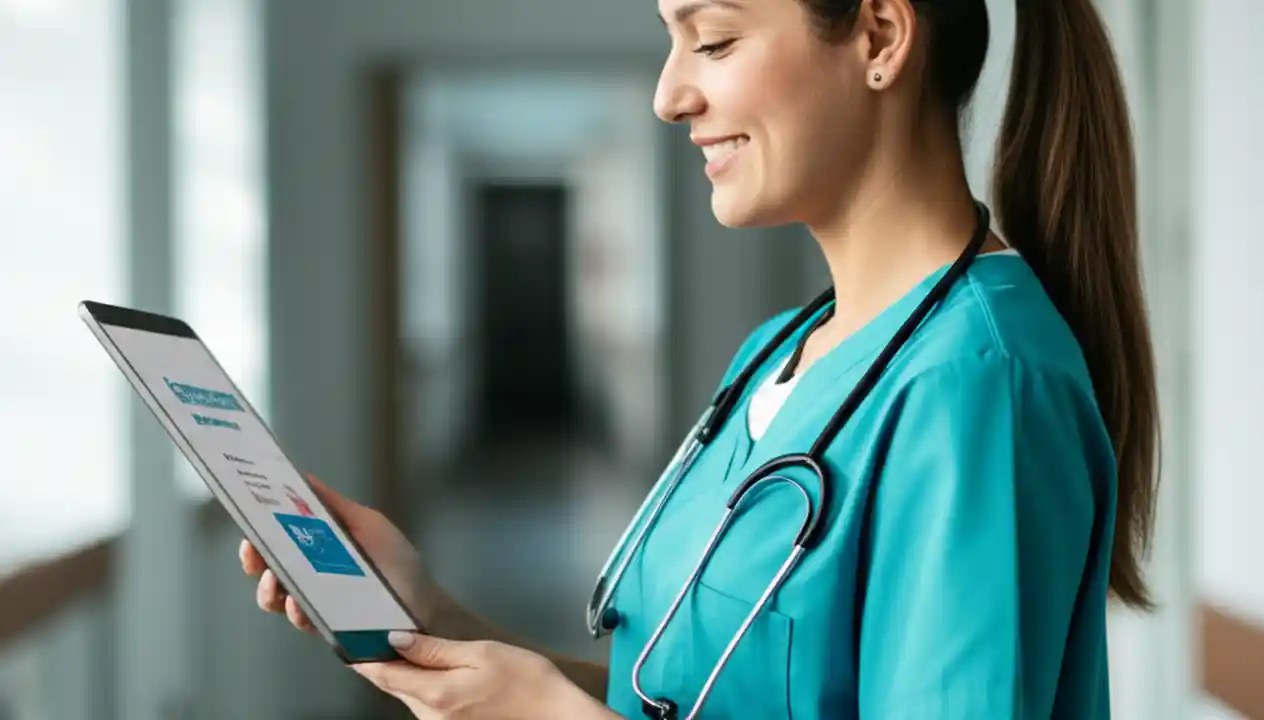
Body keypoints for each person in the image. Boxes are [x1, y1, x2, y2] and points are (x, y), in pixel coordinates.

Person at [240, 0, 1159, 716]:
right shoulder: (777, 353)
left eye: (711, 41)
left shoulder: (978, 385)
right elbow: (683, 696)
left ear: (880, 35)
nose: (668, 94)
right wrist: (429, 616)